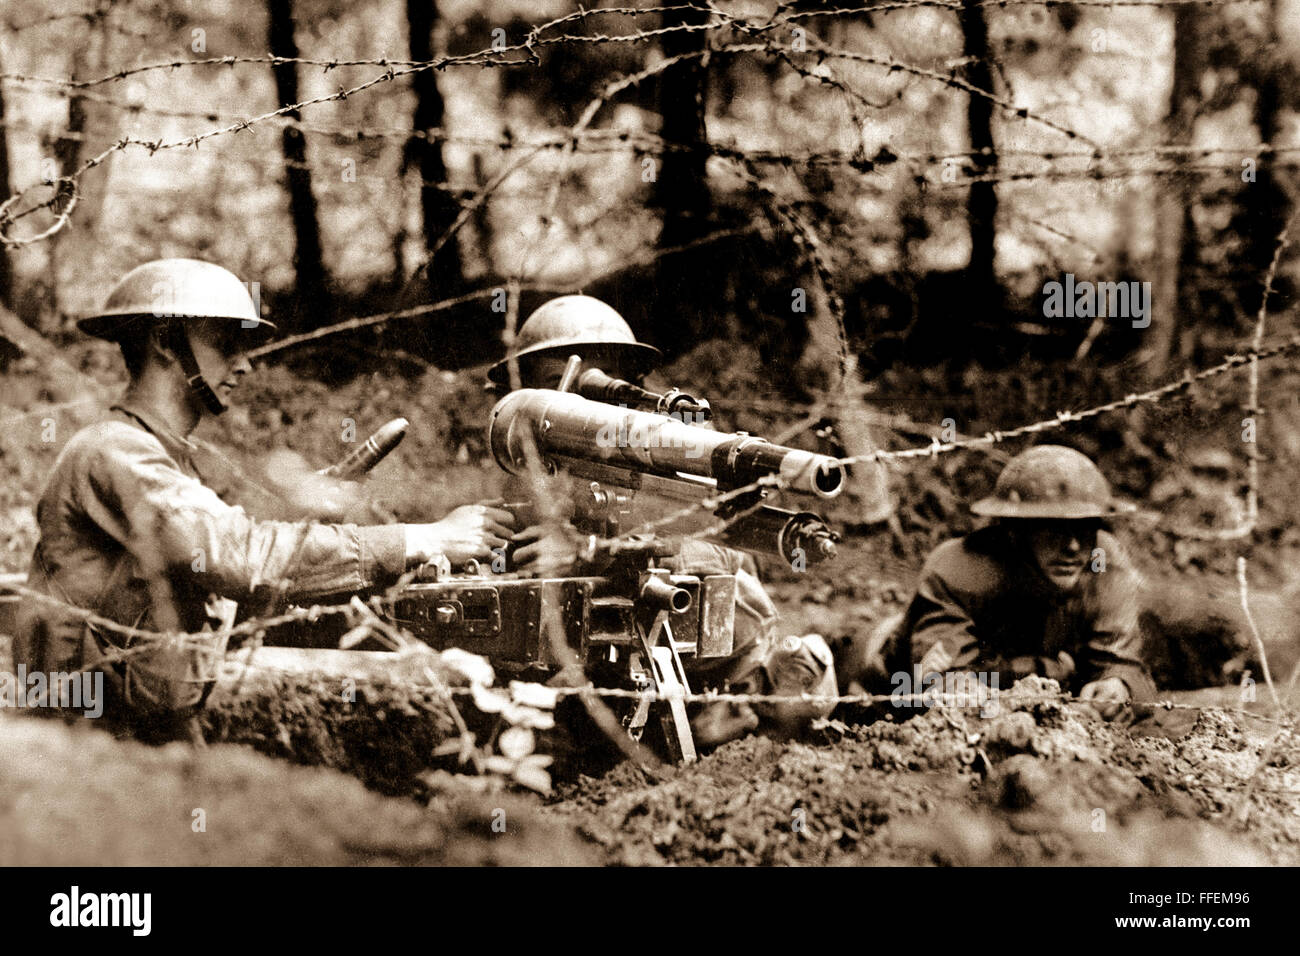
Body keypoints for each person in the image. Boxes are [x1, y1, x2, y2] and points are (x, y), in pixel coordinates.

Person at [13, 259, 514, 744]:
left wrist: (303, 518)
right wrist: (423, 539)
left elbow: (217, 561)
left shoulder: (158, 454)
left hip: (123, 724)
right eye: (226, 344)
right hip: (78, 735)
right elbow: (241, 558)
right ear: (166, 342)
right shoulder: (114, 451)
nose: (246, 362)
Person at [487, 295, 837, 746]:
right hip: (597, 676)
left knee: (806, 693)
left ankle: (735, 715)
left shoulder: (670, 449)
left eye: (596, 381)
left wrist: (592, 554)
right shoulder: (528, 470)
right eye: (556, 383)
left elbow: (721, 554)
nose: (573, 399)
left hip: (710, 669)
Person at [838, 445, 1154, 720]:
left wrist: (1117, 686)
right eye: (1054, 529)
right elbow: (939, 686)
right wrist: (1036, 677)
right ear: (1015, 531)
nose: (1072, 546)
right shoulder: (959, 568)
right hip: (889, 687)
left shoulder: (1105, 563)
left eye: (1085, 528)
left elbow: (1123, 663)